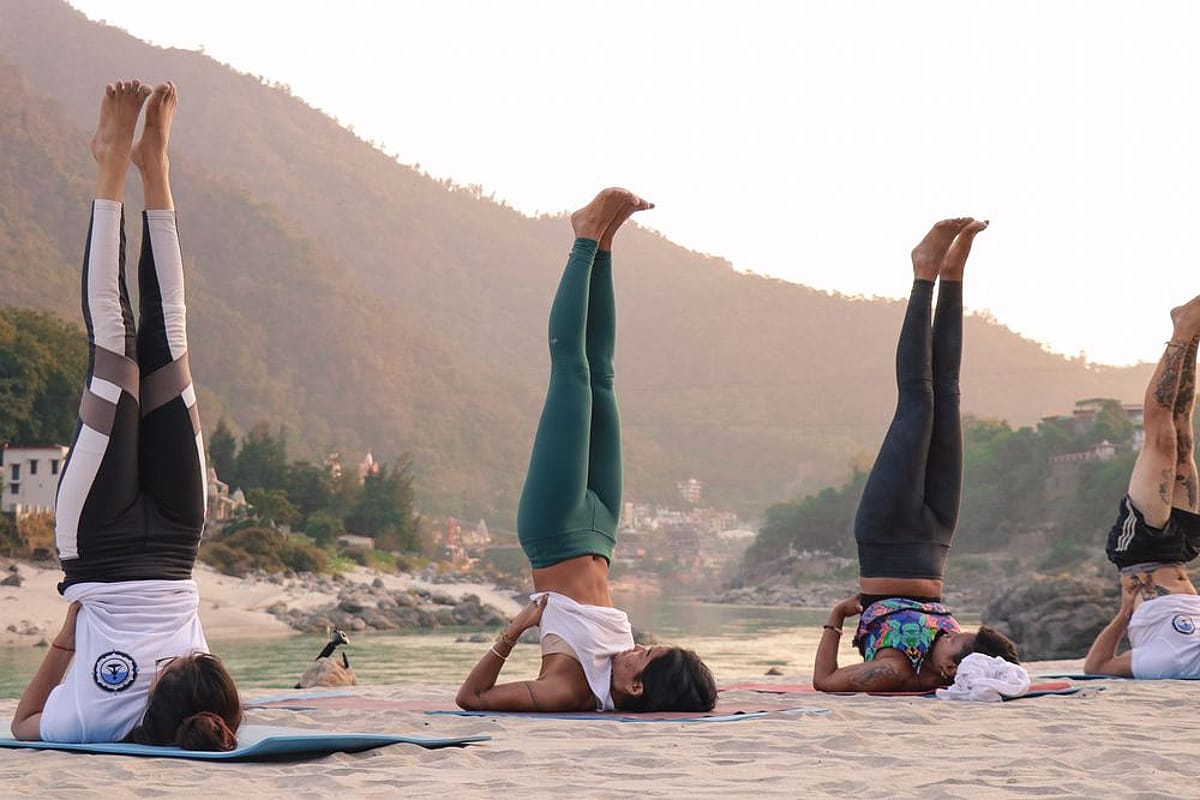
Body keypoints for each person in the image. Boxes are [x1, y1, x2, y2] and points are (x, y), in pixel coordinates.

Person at [9, 80, 241, 749]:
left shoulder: (97, 721)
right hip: (175, 543)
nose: (178, 657)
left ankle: (112, 163)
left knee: (115, 352)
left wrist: (69, 628)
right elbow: (27, 725)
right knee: (168, 350)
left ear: (175, 677)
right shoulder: (213, 708)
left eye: (181, 664)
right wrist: (68, 633)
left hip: (100, 545)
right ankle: (155, 167)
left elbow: (23, 729)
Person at [456, 189, 717, 713]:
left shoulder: (567, 690)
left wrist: (517, 629)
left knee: (572, 373)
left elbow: (472, 698)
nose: (636, 647)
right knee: (603, 378)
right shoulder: (626, 673)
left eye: (641, 656)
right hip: (602, 529)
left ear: (635, 687)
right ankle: (605, 243)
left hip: (554, 531)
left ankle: (583, 238)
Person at [812, 218, 1019, 693]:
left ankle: (923, 273)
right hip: (935, 542)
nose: (949, 634)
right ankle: (954, 276)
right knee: (947, 397)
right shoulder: (951, 657)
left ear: (950, 669)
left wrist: (834, 618)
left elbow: (824, 682)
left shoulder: (896, 671)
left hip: (887, 534)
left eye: (954, 643)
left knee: (918, 402)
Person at [1084, 298, 1200, 678]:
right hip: (1183, 554)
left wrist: (1122, 616)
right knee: (1183, 442)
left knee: (1161, 442)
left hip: (1142, 556)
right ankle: (1192, 336)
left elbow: (1097, 667)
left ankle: (1182, 333)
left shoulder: (1165, 662)